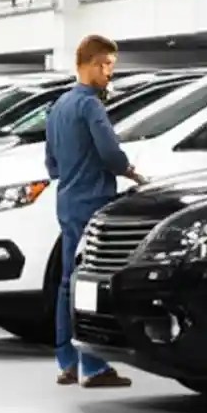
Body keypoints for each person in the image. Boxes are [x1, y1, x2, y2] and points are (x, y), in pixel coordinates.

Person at [45, 34, 146, 388]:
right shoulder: (90, 106)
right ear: (90, 64)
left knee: (65, 283)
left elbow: (52, 164)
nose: (110, 75)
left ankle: (66, 362)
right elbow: (111, 152)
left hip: (67, 199)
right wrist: (131, 171)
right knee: (87, 281)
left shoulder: (58, 106)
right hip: (93, 200)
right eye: (107, 66)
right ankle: (94, 366)